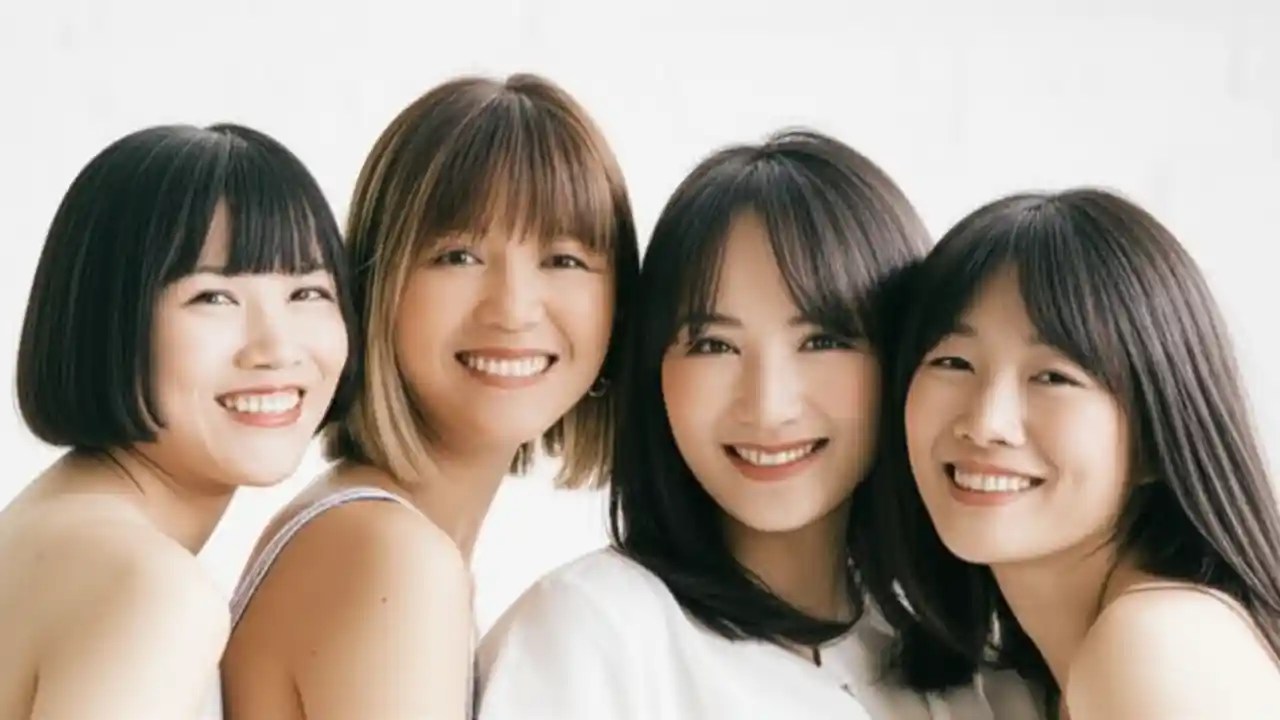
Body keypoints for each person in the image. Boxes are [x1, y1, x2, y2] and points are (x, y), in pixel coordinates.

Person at [477, 130, 1042, 719]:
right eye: (713, 345)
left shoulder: (968, 663)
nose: (769, 406)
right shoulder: (590, 635)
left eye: (822, 341)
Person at [221, 73, 640, 720]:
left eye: (563, 260)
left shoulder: (380, 535)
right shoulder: (392, 558)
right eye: (459, 256)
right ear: (378, 281)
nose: (514, 309)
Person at [862, 189, 1280, 718]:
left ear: (1156, 438)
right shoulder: (1068, 666)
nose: (987, 423)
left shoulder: (1155, 645)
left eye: (1053, 377)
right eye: (953, 362)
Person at [0, 122, 353, 719]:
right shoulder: (151, 590)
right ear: (109, 318)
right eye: (214, 298)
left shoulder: (47, 534)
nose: (276, 348)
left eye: (307, 293)